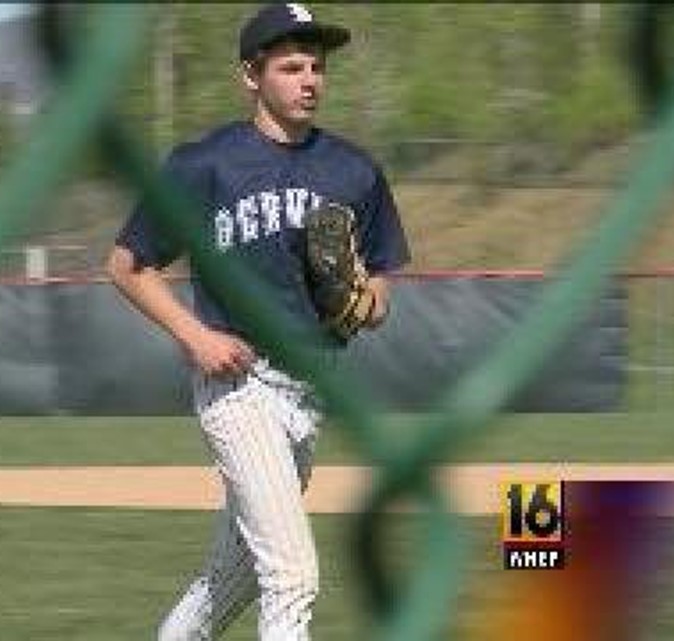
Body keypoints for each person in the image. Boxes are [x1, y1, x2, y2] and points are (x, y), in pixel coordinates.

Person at [106, 4, 410, 639]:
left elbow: (380, 280)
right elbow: (127, 265)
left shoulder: (354, 170)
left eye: (317, 67)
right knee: (294, 573)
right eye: (291, 66)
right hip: (238, 387)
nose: (310, 80)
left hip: (310, 392)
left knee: (236, 573)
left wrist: (367, 303)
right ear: (252, 74)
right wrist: (196, 335)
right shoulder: (205, 164)